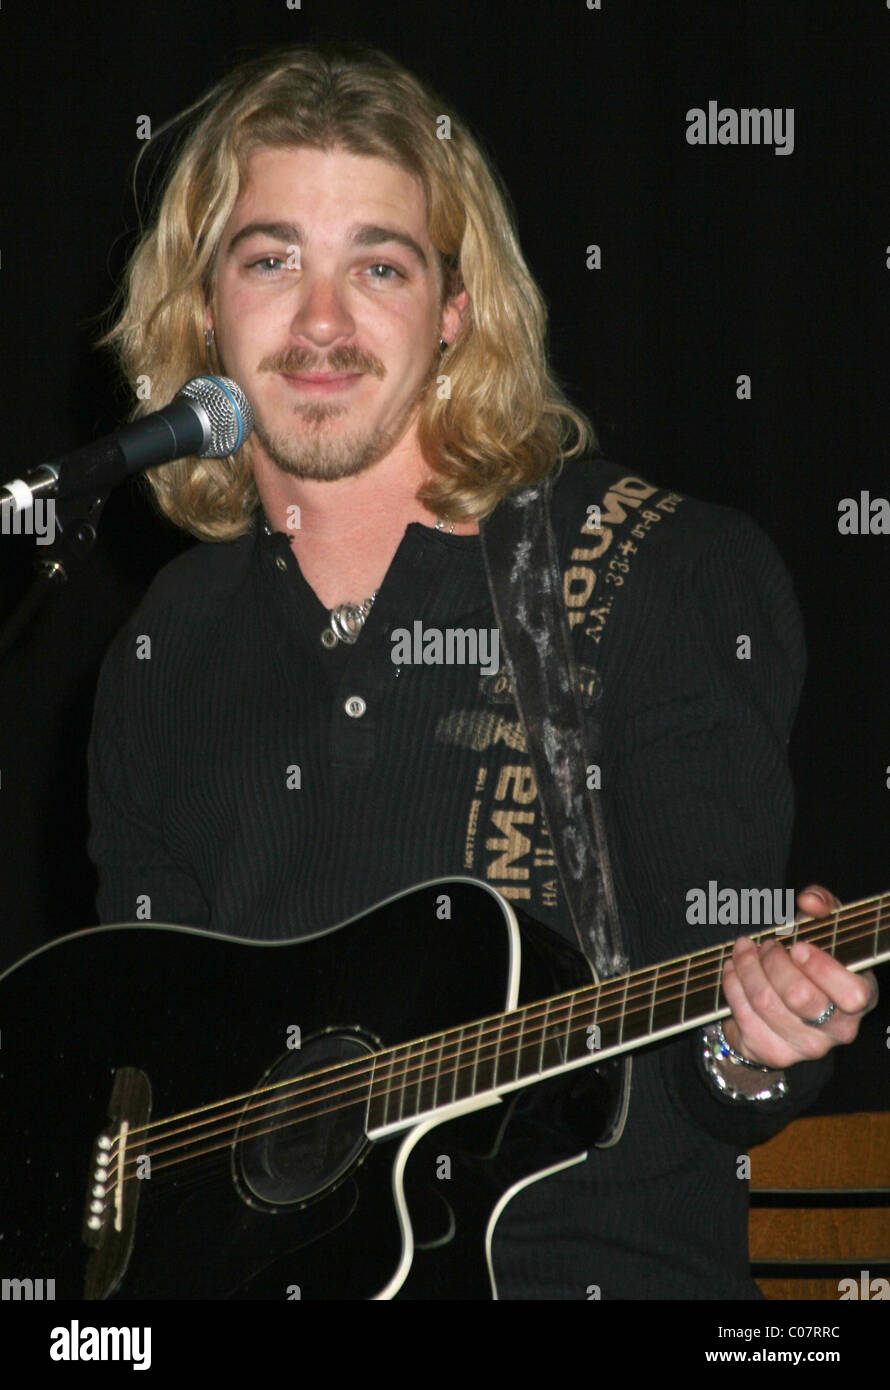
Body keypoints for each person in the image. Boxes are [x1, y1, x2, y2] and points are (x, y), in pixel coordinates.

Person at [87, 41, 878, 1299]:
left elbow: (713, 1051)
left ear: (455, 312)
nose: (324, 320)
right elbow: (133, 1060)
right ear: (200, 309)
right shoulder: (162, 647)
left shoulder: (655, 574)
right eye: (271, 258)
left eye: (380, 266)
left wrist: (757, 1039)